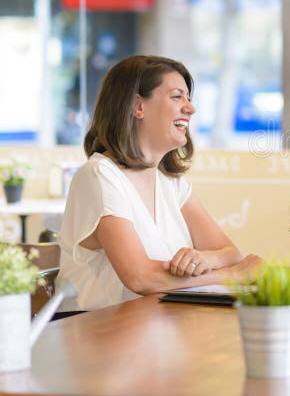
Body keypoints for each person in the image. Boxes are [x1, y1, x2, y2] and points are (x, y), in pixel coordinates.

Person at [58, 55, 261, 311]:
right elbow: (140, 277)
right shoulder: (99, 176)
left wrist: (203, 258)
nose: (190, 108)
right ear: (137, 106)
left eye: (188, 98)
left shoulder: (171, 182)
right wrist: (232, 276)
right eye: (177, 97)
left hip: (153, 330)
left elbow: (230, 253)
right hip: (97, 336)